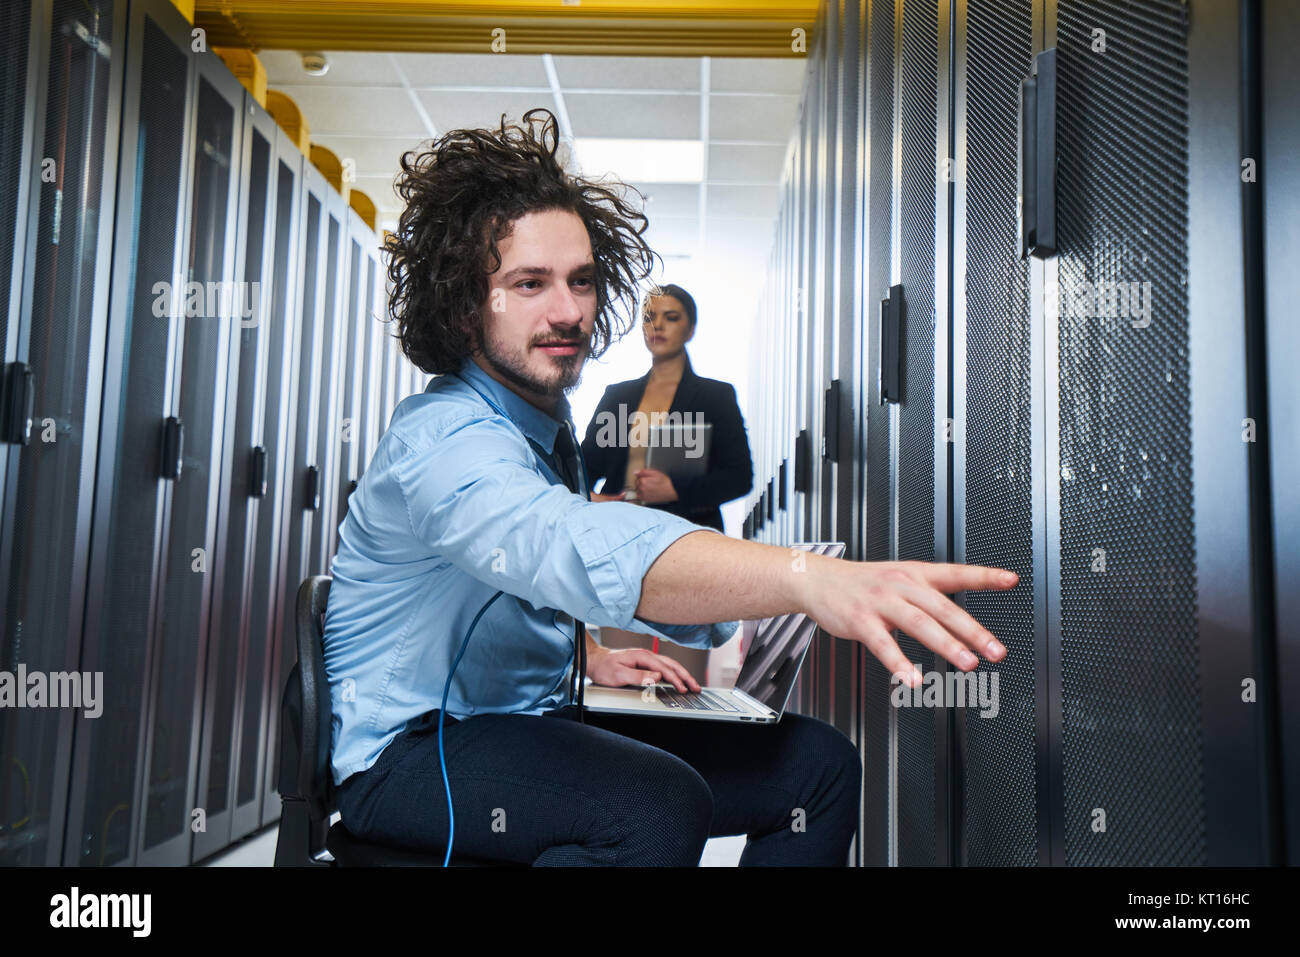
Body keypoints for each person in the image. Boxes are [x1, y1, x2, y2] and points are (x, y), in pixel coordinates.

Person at [322, 108, 1016, 866]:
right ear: (464, 305)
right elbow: (562, 543)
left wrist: (584, 657)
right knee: (653, 803)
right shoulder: (444, 438)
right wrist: (804, 578)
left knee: (814, 768)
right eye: (530, 284)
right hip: (409, 752)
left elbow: (512, 581)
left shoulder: (542, 432)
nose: (569, 311)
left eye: (581, 282)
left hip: (524, 716)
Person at [580, 284, 753, 681]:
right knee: (624, 675)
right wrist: (596, 500)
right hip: (622, 548)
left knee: (683, 683)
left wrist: (676, 490)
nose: (657, 326)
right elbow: (582, 468)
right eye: (649, 317)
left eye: (670, 317)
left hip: (689, 545)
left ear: (690, 328)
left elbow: (739, 477)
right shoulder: (617, 396)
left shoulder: (715, 397)